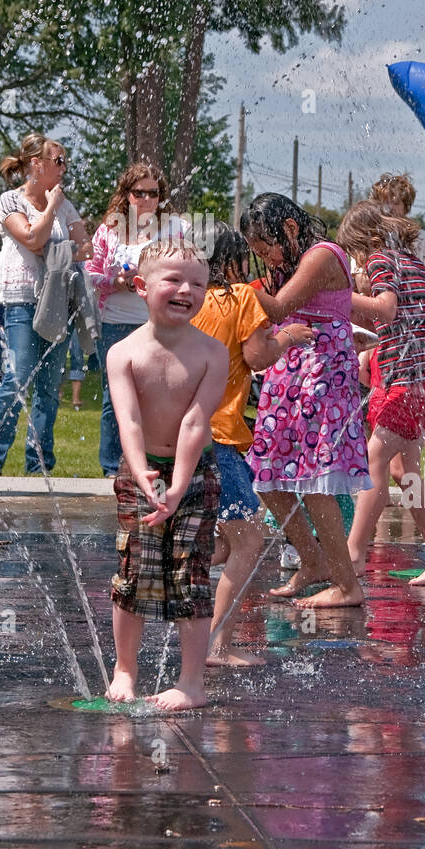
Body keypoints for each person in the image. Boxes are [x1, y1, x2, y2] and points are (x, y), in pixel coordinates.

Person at [105, 240, 228, 711]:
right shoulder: (124, 353)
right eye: (173, 280)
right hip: (140, 474)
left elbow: (196, 422)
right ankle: (125, 670)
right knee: (134, 572)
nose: (186, 290)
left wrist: (176, 486)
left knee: (191, 575)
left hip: (195, 476)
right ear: (140, 287)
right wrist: (144, 477)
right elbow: (129, 422)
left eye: (197, 283)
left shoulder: (211, 354)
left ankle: (192, 682)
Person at [191, 224, 313, 666]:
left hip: (189, 436)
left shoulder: (189, 302)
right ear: (234, 262)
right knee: (248, 542)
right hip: (222, 436)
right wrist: (288, 337)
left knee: (224, 542)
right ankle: (217, 646)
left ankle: (177, 568)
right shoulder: (239, 297)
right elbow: (257, 357)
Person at [240, 194, 368, 609]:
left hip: (322, 376)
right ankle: (312, 561)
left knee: (315, 480)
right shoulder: (294, 263)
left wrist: (230, 285)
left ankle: (347, 585)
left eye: (267, 249)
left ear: (290, 229)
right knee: (267, 473)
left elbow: (277, 308)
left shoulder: (321, 257)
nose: (268, 260)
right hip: (290, 371)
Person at [337, 201, 425, 584]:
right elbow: (390, 313)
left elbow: (385, 309)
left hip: (409, 378)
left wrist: (333, 297)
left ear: (362, 242)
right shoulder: (409, 260)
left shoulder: (379, 259)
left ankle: (353, 555)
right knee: (405, 469)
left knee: (374, 456)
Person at [0, 134, 92, 475]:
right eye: (59, 160)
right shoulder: (10, 201)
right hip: (22, 300)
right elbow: (31, 238)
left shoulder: (66, 204)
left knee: (49, 388)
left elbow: (86, 249)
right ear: (36, 165)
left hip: (58, 300)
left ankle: (39, 464)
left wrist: (52, 248)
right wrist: (51, 212)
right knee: (17, 376)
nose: (64, 167)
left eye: (65, 160)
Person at [86, 163, 184, 476]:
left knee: (159, 395)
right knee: (114, 396)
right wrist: (116, 282)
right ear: (126, 195)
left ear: (161, 197)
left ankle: (153, 463)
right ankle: (112, 467)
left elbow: (186, 271)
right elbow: (91, 272)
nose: (145, 199)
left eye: (152, 193)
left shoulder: (174, 229)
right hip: (115, 321)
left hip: (158, 324)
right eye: (138, 192)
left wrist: (152, 280)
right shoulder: (109, 230)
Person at [369, 173, 425, 291]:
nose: (390, 207)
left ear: (406, 207)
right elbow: (363, 284)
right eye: (385, 202)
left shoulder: (420, 237)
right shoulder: (368, 236)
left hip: (413, 305)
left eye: (396, 203)